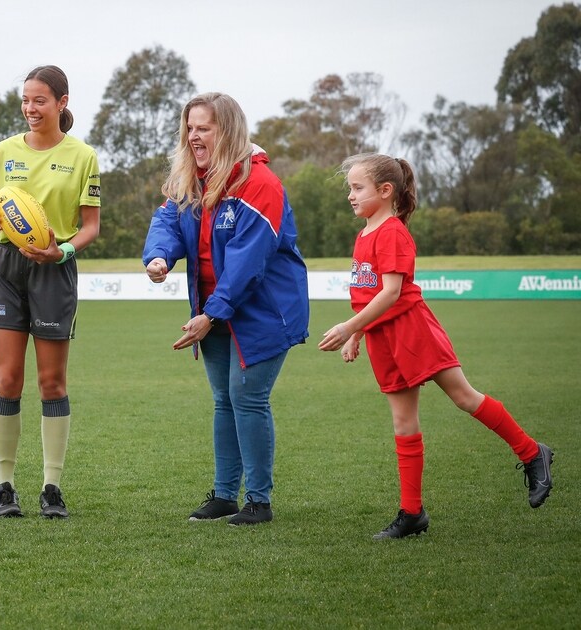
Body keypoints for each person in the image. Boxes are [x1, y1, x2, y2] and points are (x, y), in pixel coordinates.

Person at [318, 153, 555, 539]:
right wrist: (359, 334)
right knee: (403, 421)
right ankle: (412, 514)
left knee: (463, 397)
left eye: (357, 188)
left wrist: (348, 327)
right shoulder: (363, 234)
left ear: (385, 190)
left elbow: (392, 293)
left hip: (412, 331)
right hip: (381, 337)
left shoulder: (393, 232)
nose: (351, 195)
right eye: (350, 188)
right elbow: (367, 293)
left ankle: (532, 453)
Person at [142, 92, 309, 526]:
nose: (194, 137)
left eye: (205, 128)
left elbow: (248, 264)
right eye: (190, 128)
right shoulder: (190, 177)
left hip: (263, 308)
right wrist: (159, 256)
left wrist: (211, 314)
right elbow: (167, 221)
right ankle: (223, 494)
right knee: (223, 400)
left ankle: (259, 500)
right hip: (215, 308)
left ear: (228, 131)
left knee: (247, 397)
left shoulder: (260, 184)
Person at [0, 65, 100, 519]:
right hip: (7, 267)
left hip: (55, 269)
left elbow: (91, 227)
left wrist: (62, 251)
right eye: (26, 101)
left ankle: (51, 487)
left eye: (40, 101)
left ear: (61, 103)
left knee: (52, 383)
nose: (31, 109)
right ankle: (4, 486)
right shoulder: (2, 152)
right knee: (8, 379)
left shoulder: (83, 155)